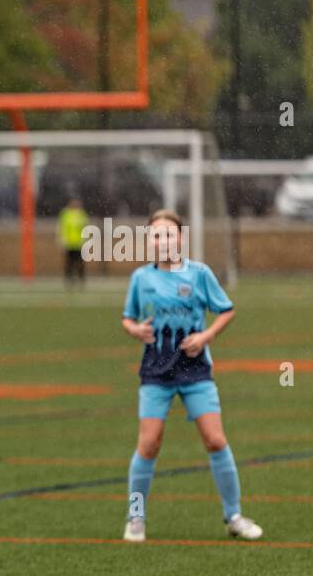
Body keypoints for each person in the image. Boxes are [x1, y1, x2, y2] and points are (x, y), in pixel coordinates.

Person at [121, 209, 262, 543]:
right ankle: (136, 517)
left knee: (215, 440)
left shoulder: (199, 274)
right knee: (149, 444)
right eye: (156, 235)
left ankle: (234, 516)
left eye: (169, 234)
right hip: (155, 372)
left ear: (181, 238)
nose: (163, 240)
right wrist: (135, 329)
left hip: (196, 371)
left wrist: (205, 337)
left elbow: (226, 310)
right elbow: (127, 318)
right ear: (149, 242)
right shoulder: (141, 278)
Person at [58, 197, 88, 288]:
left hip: (79, 244)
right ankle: (69, 280)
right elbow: (62, 228)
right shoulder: (66, 214)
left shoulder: (82, 214)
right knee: (69, 263)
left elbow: (85, 228)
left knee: (80, 264)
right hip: (69, 244)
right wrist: (62, 240)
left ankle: (81, 281)